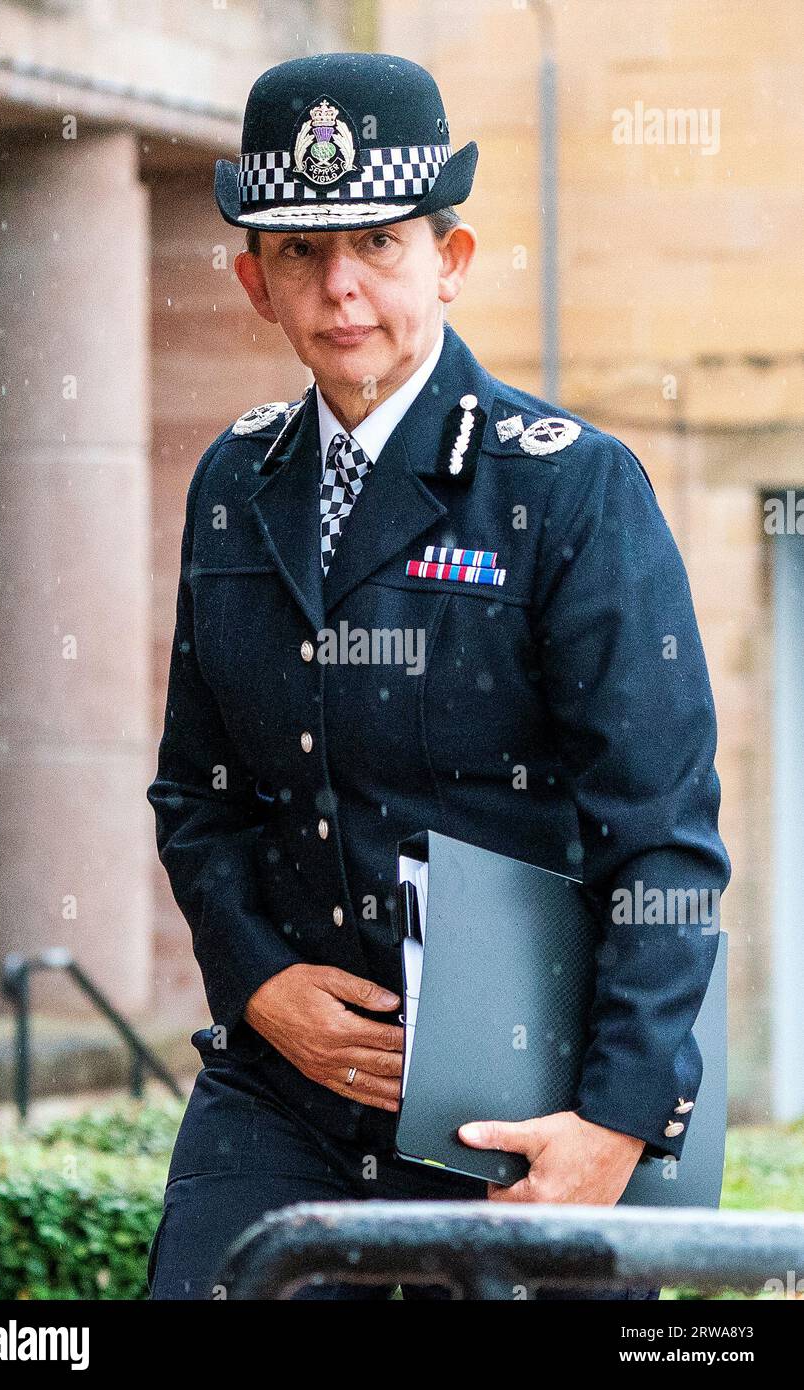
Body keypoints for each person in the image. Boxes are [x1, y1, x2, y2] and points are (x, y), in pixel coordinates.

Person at [144, 50, 731, 1300]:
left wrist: (615, 1124)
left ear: (449, 263)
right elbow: (196, 799)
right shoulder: (229, 488)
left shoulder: (569, 490)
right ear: (254, 282)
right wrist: (255, 982)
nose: (340, 284)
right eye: (300, 250)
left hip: (516, 1106)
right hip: (281, 1104)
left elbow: (664, 844)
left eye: (379, 242)